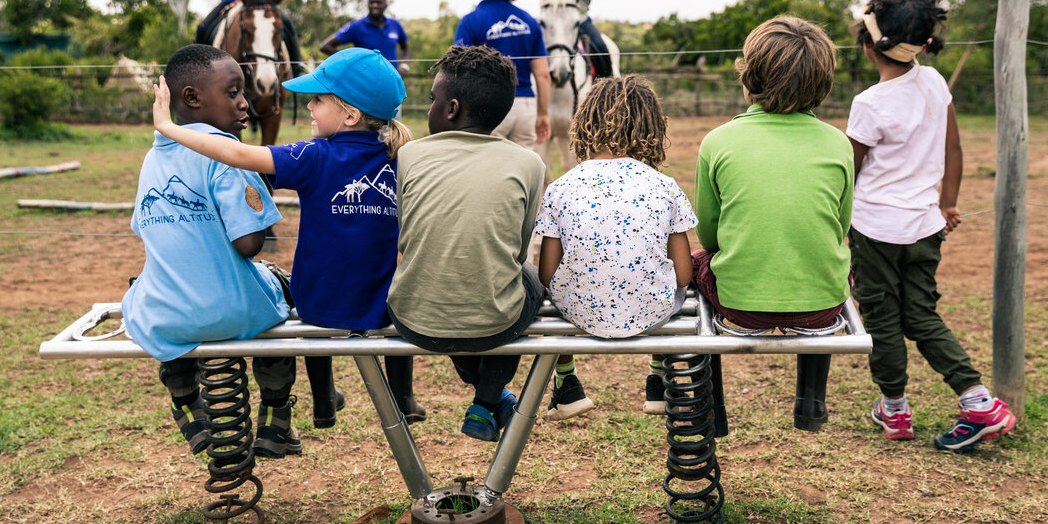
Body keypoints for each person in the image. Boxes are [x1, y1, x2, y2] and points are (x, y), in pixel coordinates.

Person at [152, 47, 425, 432]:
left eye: (318, 100)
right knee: (401, 296)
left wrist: (169, 128)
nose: (309, 106)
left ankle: (324, 399)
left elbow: (236, 154)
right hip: (384, 304)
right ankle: (403, 396)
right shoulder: (404, 158)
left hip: (319, 304)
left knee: (303, 293)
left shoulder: (313, 155)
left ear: (350, 115)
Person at [848, 0, 1015, 452]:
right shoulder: (935, 83)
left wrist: (839, 225)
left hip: (874, 230)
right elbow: (953, 148)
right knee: (921, 315)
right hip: (925, 228)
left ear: (868, 45)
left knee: (882, 317)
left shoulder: (869, 104)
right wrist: (947, 204)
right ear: (922, 43)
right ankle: (978, 401)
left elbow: (849, 173)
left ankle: (895, 409)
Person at [122, 44, 295, 460]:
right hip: (235, 311)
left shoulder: (152, 159)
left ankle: (185, 401)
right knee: (286, 290)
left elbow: (147, 232)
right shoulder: (228, 155)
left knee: (143, 287)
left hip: (165, 317)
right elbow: (248, 245)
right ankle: (276, 414)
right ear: (192, 98)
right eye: (233, 92)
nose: (245, 103)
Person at [691, 16, 853, 432]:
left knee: (694, 262)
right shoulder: (839, 143)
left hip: (740, 305)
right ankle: (811, 401)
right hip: (821, 307)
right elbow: (840, 228)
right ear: (823, 82)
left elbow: (709, 235)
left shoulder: (718, 141)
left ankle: (713, 408)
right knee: (829, 256)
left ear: (749, 77)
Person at [387, 45, 547, 442]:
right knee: (525, 281)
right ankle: (487, 400)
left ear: (452, 109)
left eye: (432, 100)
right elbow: (518, 251)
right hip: (495, 324)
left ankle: (489, 399)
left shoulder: (410, 155)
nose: (429, 109)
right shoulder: (529, 164)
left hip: (413, 319)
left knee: (448, 275)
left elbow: (406, 232)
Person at [535, 75, 696, 419]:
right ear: (651, 126)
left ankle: (567, 382)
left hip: (576, 311)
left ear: (584, 123)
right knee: (669, 281)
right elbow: (683, 274)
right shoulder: (665, 186)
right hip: (652, 311)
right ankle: (658, 379)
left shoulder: (560, 188)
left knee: (545, 288)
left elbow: (548, 274)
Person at [453, 0, 551, 150]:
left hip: (489, 105)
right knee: (523, 165)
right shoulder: (529, 21)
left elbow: (458, 71)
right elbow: (543, 75)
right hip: (525, 107)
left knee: (488, 164)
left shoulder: (471, 21)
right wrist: (542, 114)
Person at [320, 0, 410, 74]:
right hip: (364, 80)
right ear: (368, 5)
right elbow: (325, 46)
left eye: (378, 2)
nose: (375, 5)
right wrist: (350, 61)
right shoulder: (356, 26)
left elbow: (405, 46)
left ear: (385, 5)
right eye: (372, 2)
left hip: (391, 79)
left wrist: (404, 66)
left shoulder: (395, 24)